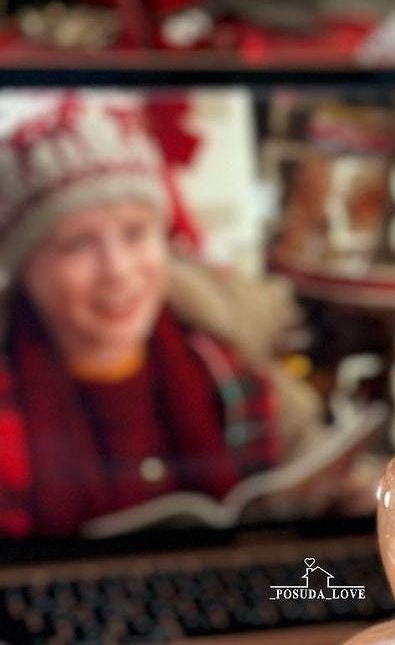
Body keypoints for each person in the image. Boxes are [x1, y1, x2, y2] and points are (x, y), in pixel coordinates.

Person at [0, 92, 318, 537]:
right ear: (25, 267)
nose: (119, 270)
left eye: (135, 233)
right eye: (77, 243)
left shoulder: (227, 363)